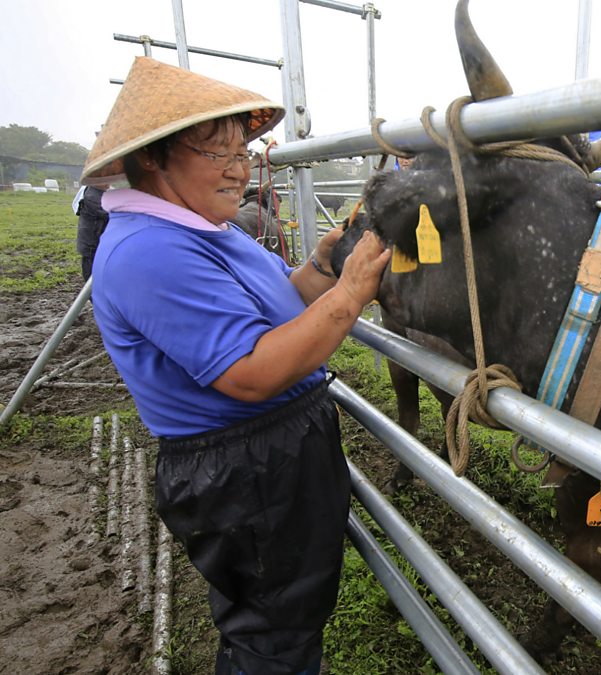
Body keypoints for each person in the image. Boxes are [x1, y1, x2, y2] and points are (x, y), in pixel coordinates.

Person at [81, 57, 391, 675]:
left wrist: (325, 269)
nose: (237, 166)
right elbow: (250, 370)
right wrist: (351, 296)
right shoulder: (150, 251)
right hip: (246, 469)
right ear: (153, 159)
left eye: (242, 149)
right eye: (213, 150)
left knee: (286, 614)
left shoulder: (203, 226)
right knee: (272, 634)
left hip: (265, 456)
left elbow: (278, 307)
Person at [73, 182, 109, 280]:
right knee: (91, 275)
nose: (108, 183)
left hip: (97, 242)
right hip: (90, 244)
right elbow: (110, 214)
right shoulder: (92, 196)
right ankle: (91, 294)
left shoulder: (99, 193)